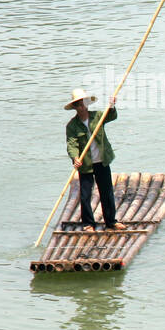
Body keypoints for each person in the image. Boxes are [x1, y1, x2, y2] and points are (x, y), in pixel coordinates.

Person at [64, 88, 125, 231]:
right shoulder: (72, 126)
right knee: (85, 194)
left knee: (107, 192)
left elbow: (111, 116)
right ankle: (88, 224)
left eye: (84, 103)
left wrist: (111, 106)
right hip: (86, 164)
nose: (82, 107)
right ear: (74, 107)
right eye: (78, 104)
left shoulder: (97, 117)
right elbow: (71, 144)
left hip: (101, 161)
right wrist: (75, 158)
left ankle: (111, 221)